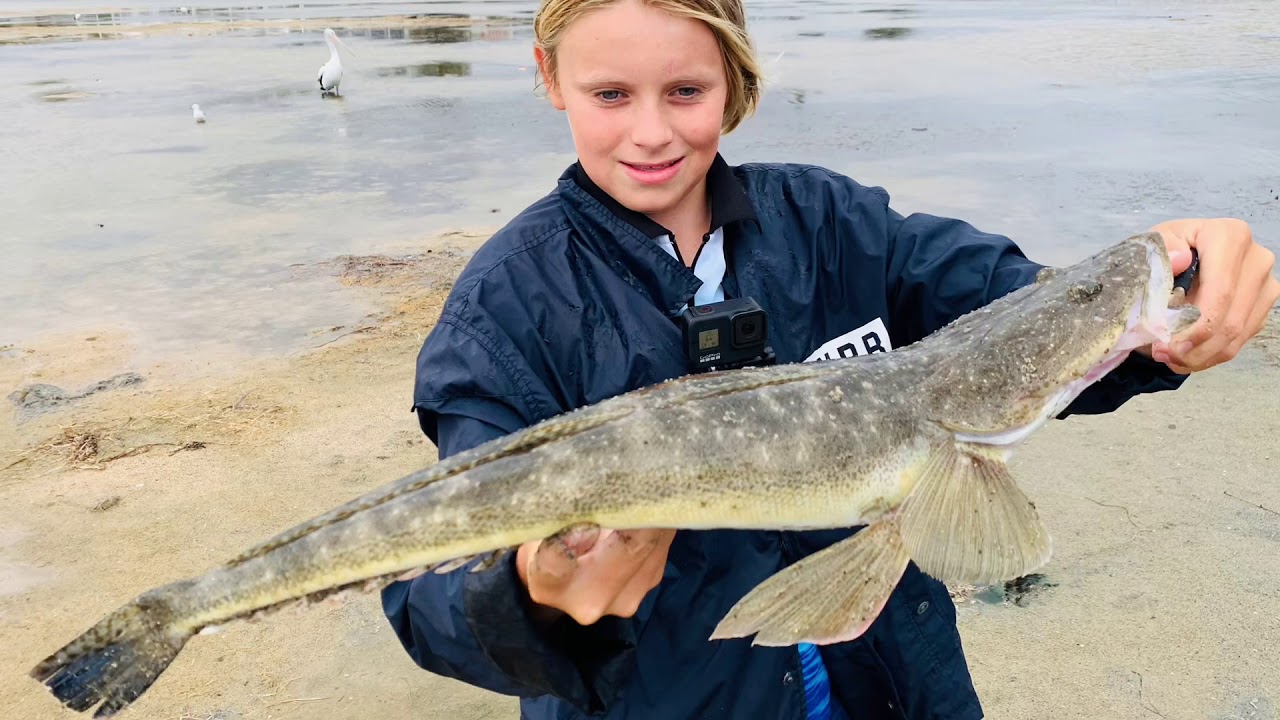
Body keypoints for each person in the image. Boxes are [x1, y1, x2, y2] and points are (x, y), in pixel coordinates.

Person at [380, 0, 1280, 718]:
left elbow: (1023, 314)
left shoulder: (835, 223)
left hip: (895, 684)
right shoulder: (507, 306)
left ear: (734, 82)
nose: (651, 134)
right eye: (610, 95)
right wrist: (535, 587)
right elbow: (429, 588)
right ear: (550, 79)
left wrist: (1174, 293)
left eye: (685, 92)